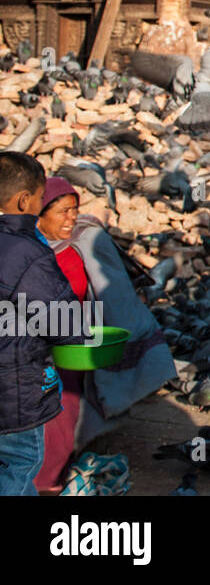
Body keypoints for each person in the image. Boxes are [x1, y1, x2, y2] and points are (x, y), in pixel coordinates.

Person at [0, 152, 79, 496]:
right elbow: (62, 323)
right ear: (23, 200)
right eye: (39, 197)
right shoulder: (28, 253)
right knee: (18, 466)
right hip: (11, 393)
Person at [33, 178, 88, 492]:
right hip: (31, 353)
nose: (72, 218)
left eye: (74, 211)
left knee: (62, 420)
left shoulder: (72, 252)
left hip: (67, 353)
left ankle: (50, 481)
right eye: (63, 211)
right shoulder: (24, 254)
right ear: (40, 214)